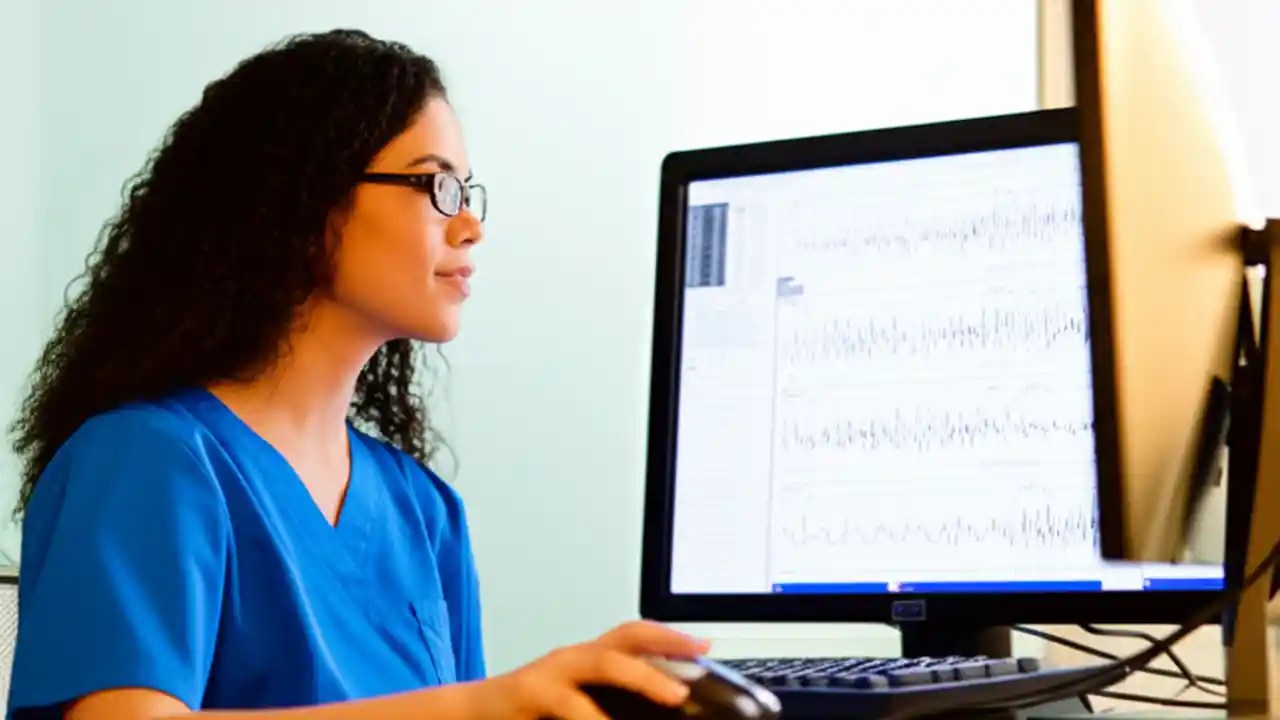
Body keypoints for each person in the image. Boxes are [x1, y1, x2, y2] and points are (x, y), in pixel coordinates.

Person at [6, 28, 707, 720]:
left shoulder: (424, 511)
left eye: (468, 191)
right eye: (436, 185)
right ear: (304, 199)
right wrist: (481, 706)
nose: (469, 226)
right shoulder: (147, 460)